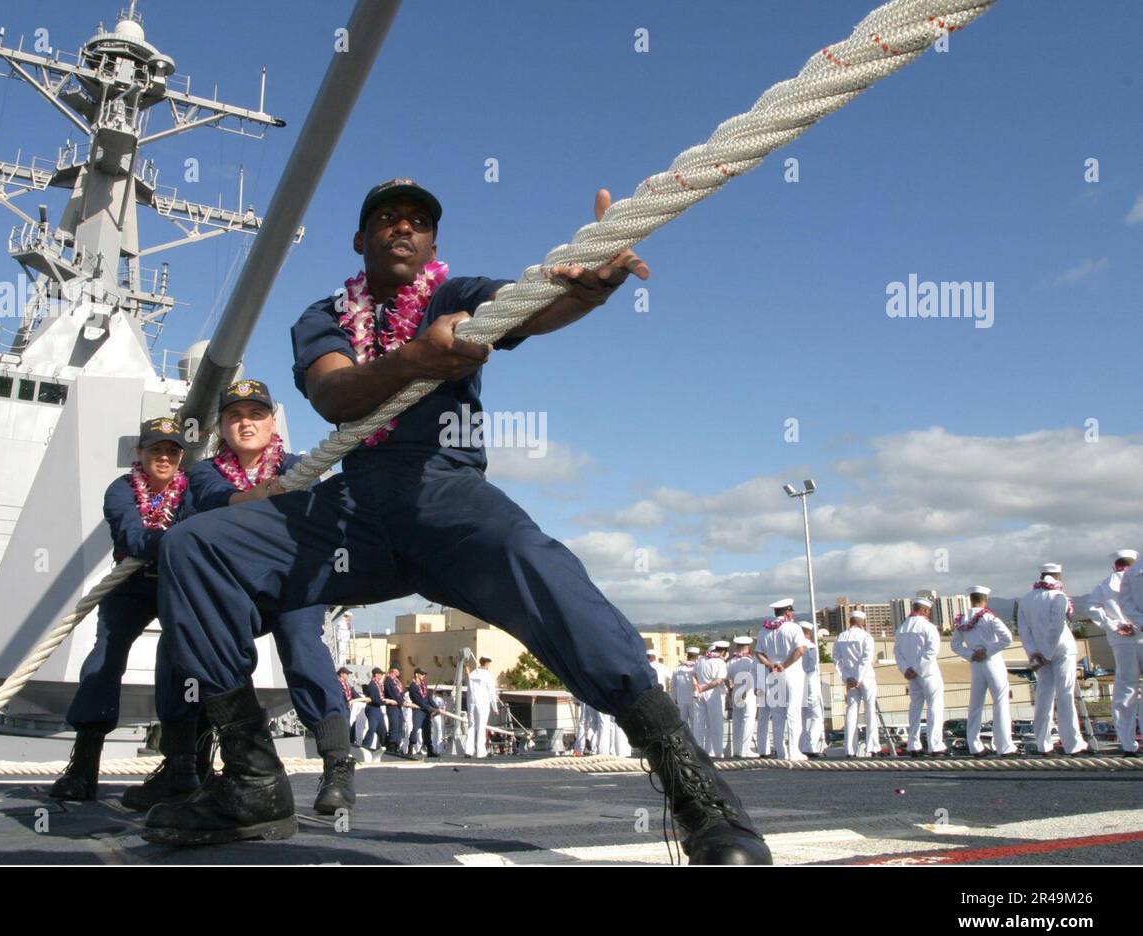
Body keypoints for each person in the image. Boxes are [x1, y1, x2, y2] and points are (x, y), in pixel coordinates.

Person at [146, 179, 770, 863]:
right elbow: (331, 391)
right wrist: (417, 359)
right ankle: (253, 781)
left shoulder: (452, 296)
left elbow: (531, 308)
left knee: (542, 568)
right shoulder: (322, 315)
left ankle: (701, 799)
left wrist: (592, 284)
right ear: (360, 241)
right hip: (353, 509)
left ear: (434, 244)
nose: (403, 228)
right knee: (195, 546)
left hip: (446, 495)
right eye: (385, 218)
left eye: (417, 221)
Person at [183, 378, 356, 815]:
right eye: (234, 416)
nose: (245, 424)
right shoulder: (203, 473)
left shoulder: (302, 466)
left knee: (303, 646)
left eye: (255, 414)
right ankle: (219, 761)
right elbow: (212, 500)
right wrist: (268, 495)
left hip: (294, 583)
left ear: (272, 422)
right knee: (207, 650)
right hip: (238, 587)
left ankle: (337, 765)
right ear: (221, 427)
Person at [51, 418, 199, 802]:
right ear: (140, 454)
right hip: (130, 586)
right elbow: (131, 534)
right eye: (155, 450)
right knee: (104, 659)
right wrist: (176, 541)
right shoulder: (121, 490)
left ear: (180, 457)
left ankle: (186, 765)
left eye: (171, 451)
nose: (163, 457)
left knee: (183, 663)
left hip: (176, 586)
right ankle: (83, 766)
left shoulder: (192, 491)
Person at [1018, 564, 1088, 756]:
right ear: (1058, 576)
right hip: (1061, 649)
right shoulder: (1059, 596)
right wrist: (1047, 652)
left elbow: (1024, 631)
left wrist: (1034, 653)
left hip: (1040, 653)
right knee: (1065, 696)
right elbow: (1057, 626)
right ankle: (1072, 744)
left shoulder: (1025, 600)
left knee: (1043, 697)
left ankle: (1043, 744)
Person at [951, 586, 1017, 757]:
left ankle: (974, 745)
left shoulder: (962, 620)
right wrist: (987, 651)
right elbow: (1007, 638)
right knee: (1000, 702)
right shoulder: (988, 617)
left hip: (975, 663)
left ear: (970, 599)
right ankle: (1004, 746)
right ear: (985, 600)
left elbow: (955, 645)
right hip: (992, 661)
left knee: (975, 705)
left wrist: (972, 654)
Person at [1091, 550, 1140, 756]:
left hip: (1122, 641)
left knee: (1125, 690)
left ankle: (1128, 743)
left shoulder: (1104, 585)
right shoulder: (1137, 579)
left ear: (1114, 565)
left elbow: (1093, 608)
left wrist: (1115, 625)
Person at [756, 599, 808, 761]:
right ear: (787, 612)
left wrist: (771, 665)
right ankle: (794, 751)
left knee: (777, 714)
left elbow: (758, 653)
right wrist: (784, 665)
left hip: (773, 673)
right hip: (791, 672)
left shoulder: (764, 630)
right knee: (793, 712)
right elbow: (800, 649)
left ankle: (780, 752)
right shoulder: (793, 628)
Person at [895, 596, 946, 756]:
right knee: (935, 707)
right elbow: (932, 650)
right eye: (928, 611)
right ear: (924, 610)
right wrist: (918, 668)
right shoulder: (928, 627)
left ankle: (913, 744)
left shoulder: (901, 629)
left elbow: (897, 653)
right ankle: (935, 745)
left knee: (915, 708)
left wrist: (906, 670)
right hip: (928, 673)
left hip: (911, 675)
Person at [832, 610, 879, 757]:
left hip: (850, 679)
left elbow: (837, 660)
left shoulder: (841, 637)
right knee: (870, 710)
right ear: (862, 622)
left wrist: (847, 678)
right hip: (866, 677)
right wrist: (859, 677)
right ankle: (872, 747)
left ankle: (849, 749)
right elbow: (866, 659)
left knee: (851, 711)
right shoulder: (866, 637)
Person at [693, 642, 728, 758]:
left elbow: (693, 675)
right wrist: (704, 687)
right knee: (716, 723)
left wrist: (698, 686)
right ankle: (718, 752)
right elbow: (718, 681)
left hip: (699, 692)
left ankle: (697, 750)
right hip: (712, 692)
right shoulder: (719, 662)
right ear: (722, 651)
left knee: (698, 723)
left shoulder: (700, 660)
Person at [725, 636, 757, 758]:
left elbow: (725, 678)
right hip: (748, 690)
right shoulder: (751, 661)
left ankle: (737, 750)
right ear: (748, 646)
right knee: (748, 720)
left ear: (737, 646)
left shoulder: (730, 662)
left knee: (737, 721)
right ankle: (745, 750)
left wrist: (730, 688)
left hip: (736, 690)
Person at [799, 622, 825, 757]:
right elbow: (811, 666)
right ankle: (811, 746)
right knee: (817, 716)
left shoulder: (794, 645)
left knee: (802, 716)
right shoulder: (810, 646)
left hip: (797, 682)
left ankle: (801, 746)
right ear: (809, 632)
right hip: (809, 682)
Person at [465, 657, 500, 758]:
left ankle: (468, 751)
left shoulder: (472, 674)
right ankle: (481, 752)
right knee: (481, 727)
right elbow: (491, 691)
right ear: (487, 663)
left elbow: (469, 691)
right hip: (483, 702)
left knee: (471, 726)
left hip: (471, 703)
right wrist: (495, 707)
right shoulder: (488, 675)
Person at [408, 668, 441, 757]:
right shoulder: (413, 686)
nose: (423, 676)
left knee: (427, 730)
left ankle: (430, 750)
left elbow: (428, 698)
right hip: (418, 710)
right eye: (422, 674)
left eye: (424, 674)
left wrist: (436, 708)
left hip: (426, 711)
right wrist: (430, 708)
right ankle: (410, 749)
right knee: (416, 729)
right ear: (416, 674)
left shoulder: (424, 684)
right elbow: (418, 701)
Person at [361, 667, 390, 751]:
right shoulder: (372, 685)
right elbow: (376, 699)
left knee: (382, 729)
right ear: (376, 674)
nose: (381, 676)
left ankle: (385, 747)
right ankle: (365, 747)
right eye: (380, 674)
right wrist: (386, 702)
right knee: (372, 729)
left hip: (377, 709)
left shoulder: (378, 685)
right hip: (372, 708)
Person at [383, 666, 408, 756]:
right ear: (393, 670)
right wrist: (402, 702)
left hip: (398, 706)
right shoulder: (389, 680)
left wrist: (403, 701)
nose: (399, 672)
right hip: (392, 706)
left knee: (399, 726)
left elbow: (399, 693)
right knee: (394, 726)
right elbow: (393, 693)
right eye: (398, 670)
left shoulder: (396, 681)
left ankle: (397, 745)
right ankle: (391, 747)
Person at [336, 667, 365, 745]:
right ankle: (343, 742)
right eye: (346, 674)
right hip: (342, 707)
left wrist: (363, 699)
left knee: (347, 725)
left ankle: (347, 742)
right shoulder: (337, 683)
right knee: (344, 725)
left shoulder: (347, 684)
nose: (348, 675)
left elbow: (353, 692)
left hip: (347, 707)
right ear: (341, 674)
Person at [670, 648, 698, 725]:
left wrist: (673, 698)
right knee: (695, 723)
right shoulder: (698, 667)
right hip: (694, 699)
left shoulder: (678, 668)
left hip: (681, 699)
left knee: (682, 723)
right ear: (696, 656)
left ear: (688, 655)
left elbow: (673, 685)